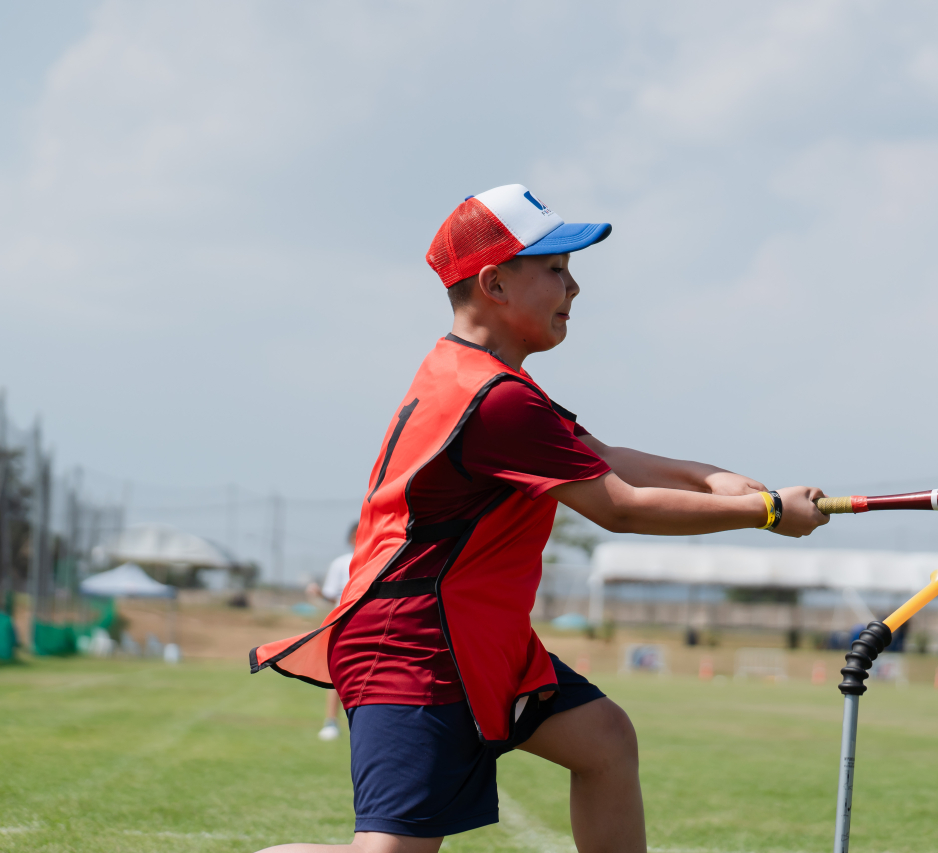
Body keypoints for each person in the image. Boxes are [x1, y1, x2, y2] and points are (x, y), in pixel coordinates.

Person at [249, 184, 829, 853]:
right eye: (555, 269)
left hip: (473, 635)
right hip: (413, 645)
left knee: (604, 739)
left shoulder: (493, 383)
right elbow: (618, 505)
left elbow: (603, 456)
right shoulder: (494, 400)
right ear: (494, 282)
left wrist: (713, 478)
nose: (574, 287)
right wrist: (765, 511)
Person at [305, 523, 358, 741]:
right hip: (343, 623)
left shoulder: (381, 558)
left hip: (371, 623)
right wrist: (318, 593)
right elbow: (332, 596)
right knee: (336, 674)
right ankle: (331, 722)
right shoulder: (341, 563)